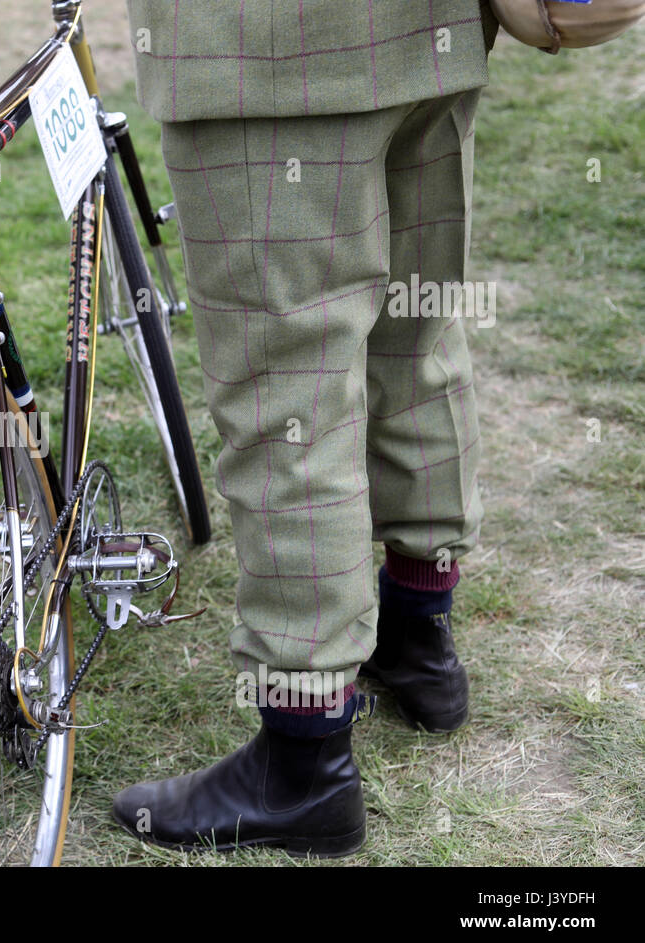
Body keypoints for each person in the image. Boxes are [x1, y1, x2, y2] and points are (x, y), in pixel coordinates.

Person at [113, 0, 500, 854]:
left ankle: (303, 763)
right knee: (415, 342)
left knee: (287, 398)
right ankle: (418, 641)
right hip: (428, 34)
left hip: (265, 47)